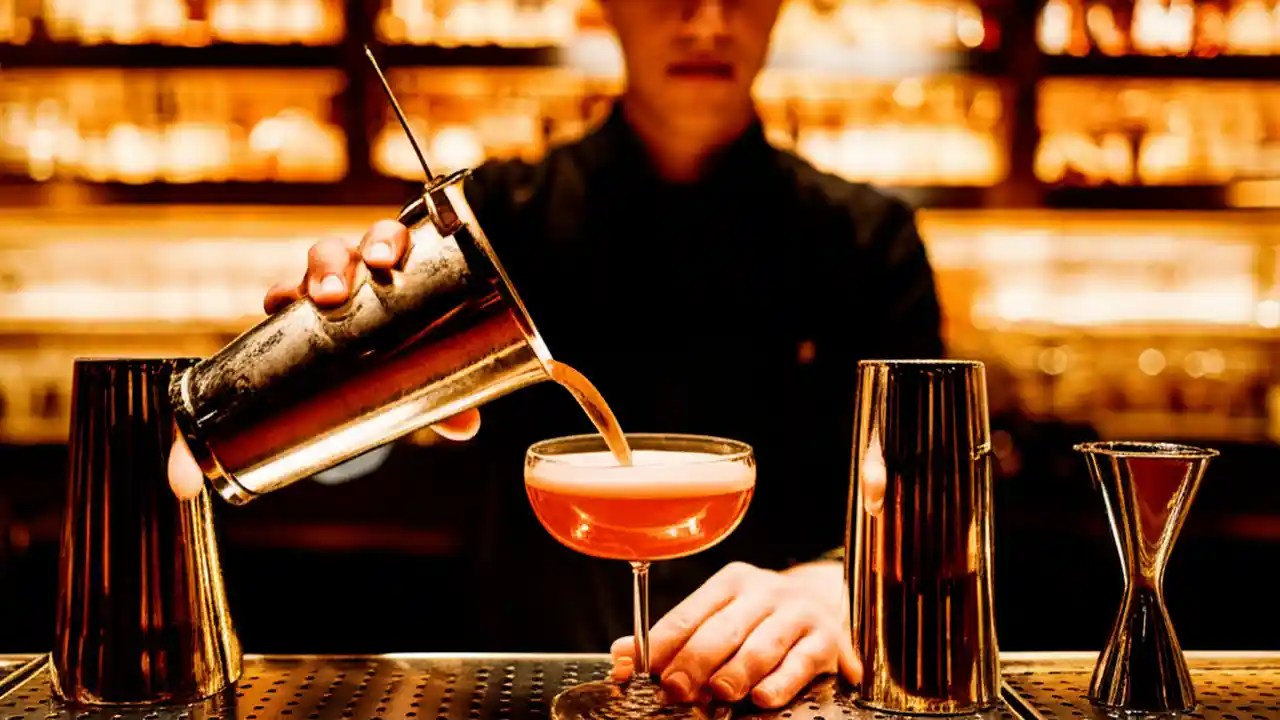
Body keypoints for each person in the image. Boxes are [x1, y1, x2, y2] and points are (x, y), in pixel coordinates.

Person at [172, 0, 944, 710]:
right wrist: (331, 359)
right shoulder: (497, 224)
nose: (706, 21)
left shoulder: (869, 242)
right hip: (523, 691)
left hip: (775, 695)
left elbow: (932, 508)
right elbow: (348, 473)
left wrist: (850, 580)